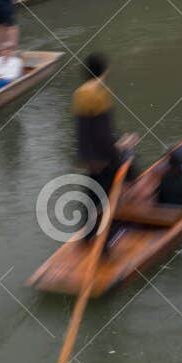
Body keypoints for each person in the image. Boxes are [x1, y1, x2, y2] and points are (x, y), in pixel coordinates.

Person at [73, 55, 137, 236]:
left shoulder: (79, 93)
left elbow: (83, 131)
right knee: (112, 196)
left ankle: (86, 234)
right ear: (105, 71)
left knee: (92, 195)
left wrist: (86, 157)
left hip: (88, 157)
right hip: (103, 156)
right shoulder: (99, 93)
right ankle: (109, 239)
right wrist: (120, 147)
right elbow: (103, 133)